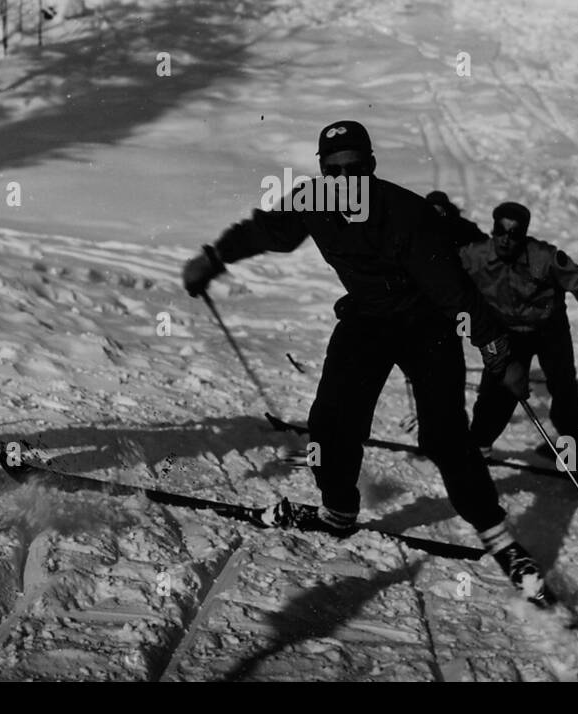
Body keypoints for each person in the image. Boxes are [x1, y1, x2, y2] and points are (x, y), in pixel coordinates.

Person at [181, 121, 547, 601]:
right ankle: (338, 511)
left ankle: (501, 540)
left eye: (354, 169)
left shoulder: (407, 214)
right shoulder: (314, 200)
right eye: (333, 170)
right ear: (322, 171)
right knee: (331, 423)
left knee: (444, 436)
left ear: (371, 167)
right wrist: (215, 255)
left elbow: (453, 293)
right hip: (368, 321)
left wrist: (498, 352)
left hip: (428, 325)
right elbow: (268, 230)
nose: (343, 180)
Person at [460, 202, 578, 462]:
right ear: (492, 229)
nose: (505, 240)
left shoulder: (544, 257)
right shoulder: (475, 256)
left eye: (514, 234)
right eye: (500, 231)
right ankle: (478, 446)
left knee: (564, 390)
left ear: (523, 235)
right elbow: (442, 275)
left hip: (549, 330)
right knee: (496, 392)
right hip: (507, 332)